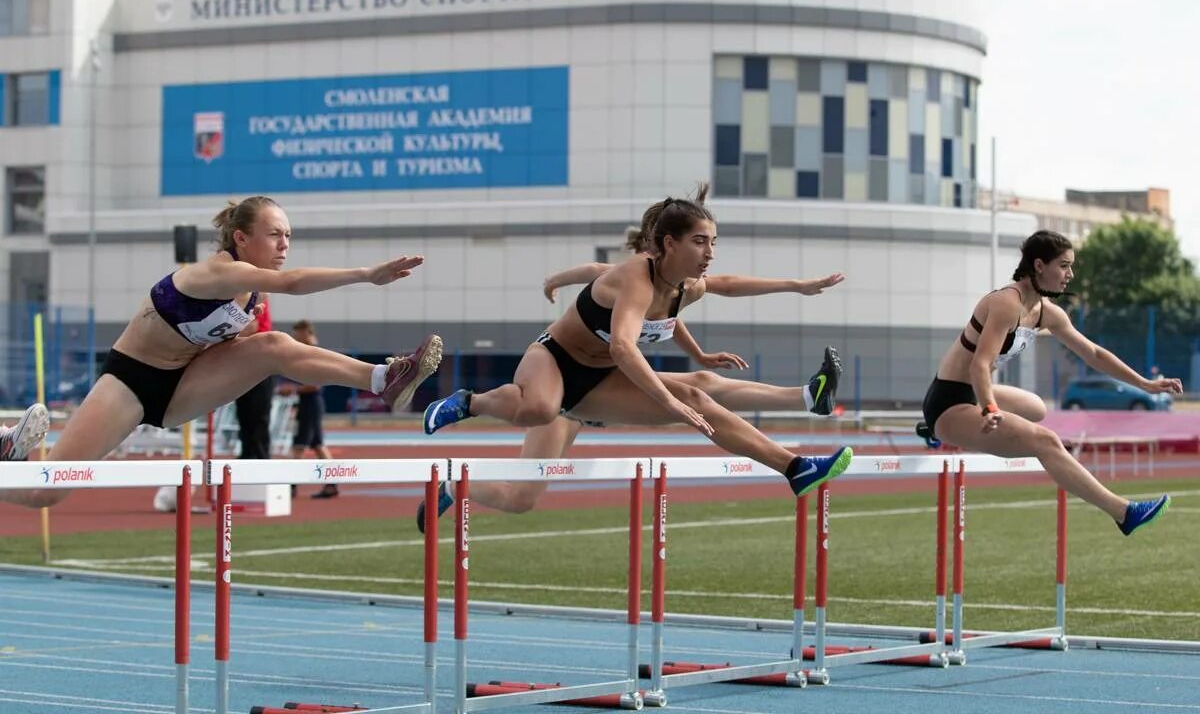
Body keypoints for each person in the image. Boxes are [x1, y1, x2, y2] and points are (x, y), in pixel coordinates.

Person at [422, 185, 853, 513]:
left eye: (714, 243)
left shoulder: (684, 289)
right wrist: (555, 280)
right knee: (537, 414)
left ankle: (795, 468)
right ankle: (468, 403)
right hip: (554, 360)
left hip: (597, 383)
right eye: (701, 242)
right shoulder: (635, 277)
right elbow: (626, 347)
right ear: (668, 244)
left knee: (698, 393)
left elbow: (730, 284)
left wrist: (797, 286)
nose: (710, 254)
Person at [0, 196, 443, 508]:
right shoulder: (213, 274)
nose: (285, 245)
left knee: (272, 345)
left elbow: (230, 345)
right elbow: (292, 283)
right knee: (47, 491)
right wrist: (366, 273)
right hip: (131, 382)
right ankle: (7, 454)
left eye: (288, 235)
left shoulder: (252, 298)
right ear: (241, 239)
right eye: (274, 235)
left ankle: (385, 379)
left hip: (183, 386)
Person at [921, 230, 1178, 537]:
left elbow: (1094, 354)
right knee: (1046, 441)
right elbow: (980, 365)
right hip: (949, 402)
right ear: (1039, 265)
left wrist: (1146, 384)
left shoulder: (1046, 313)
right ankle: (1123, 513)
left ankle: (933, 432)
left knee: (1037, 408)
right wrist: (989, 407)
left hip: (973, 394)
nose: (1070, 274)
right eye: (1065, 266)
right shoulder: (1006, 303)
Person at [281, 319, 338, 499]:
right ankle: (331, 484)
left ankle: (291, 485)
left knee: (298, 445)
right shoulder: (310, 351)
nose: (295, 338)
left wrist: (293, 389)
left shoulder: (313, 352)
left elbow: (315, 384)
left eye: (297, 333)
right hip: (309, 402)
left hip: (310, 402)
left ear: (306, 331)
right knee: (318, 445)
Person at [234, 295, 275, 460]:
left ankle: (259, 457)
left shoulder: (256, 295)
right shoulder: (239, 297)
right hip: (244, 362)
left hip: (260, 362)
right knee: (244, 414)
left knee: (258, 415)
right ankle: (247, 454)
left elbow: (252, 327)